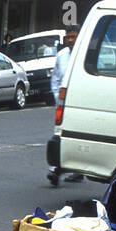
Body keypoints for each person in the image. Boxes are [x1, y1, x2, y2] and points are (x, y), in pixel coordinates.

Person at [45, 28, 80, 186]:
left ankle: (75, 170)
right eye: (68, 37)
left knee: (77, 136)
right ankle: (56, 169)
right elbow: (56, 80)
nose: (70, 40)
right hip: (63, 103)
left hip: (80, 103)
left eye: (73, 37)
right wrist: (58, 100)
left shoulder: (85, 54)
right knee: (60, 135)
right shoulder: (61, 55)